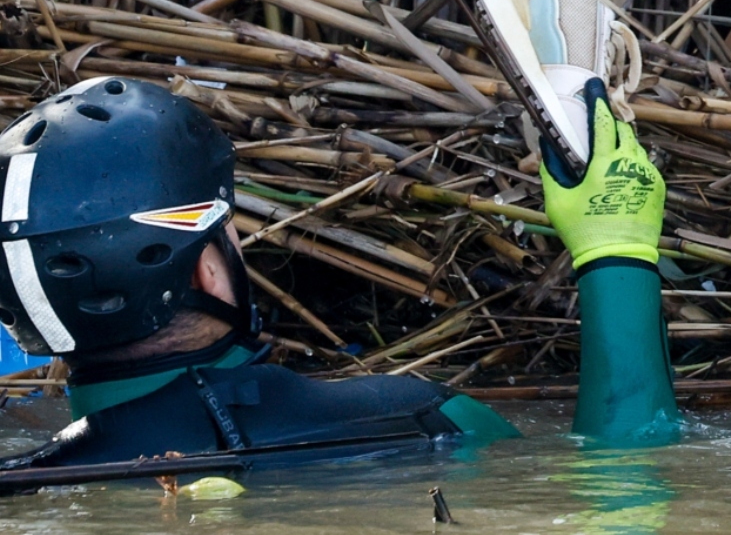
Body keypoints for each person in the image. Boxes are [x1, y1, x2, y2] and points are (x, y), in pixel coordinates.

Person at [0, 75, 676, 477]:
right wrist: (615, 253)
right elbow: (621, 480)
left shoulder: (36, 479)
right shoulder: (423, 423)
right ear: (209, 267)